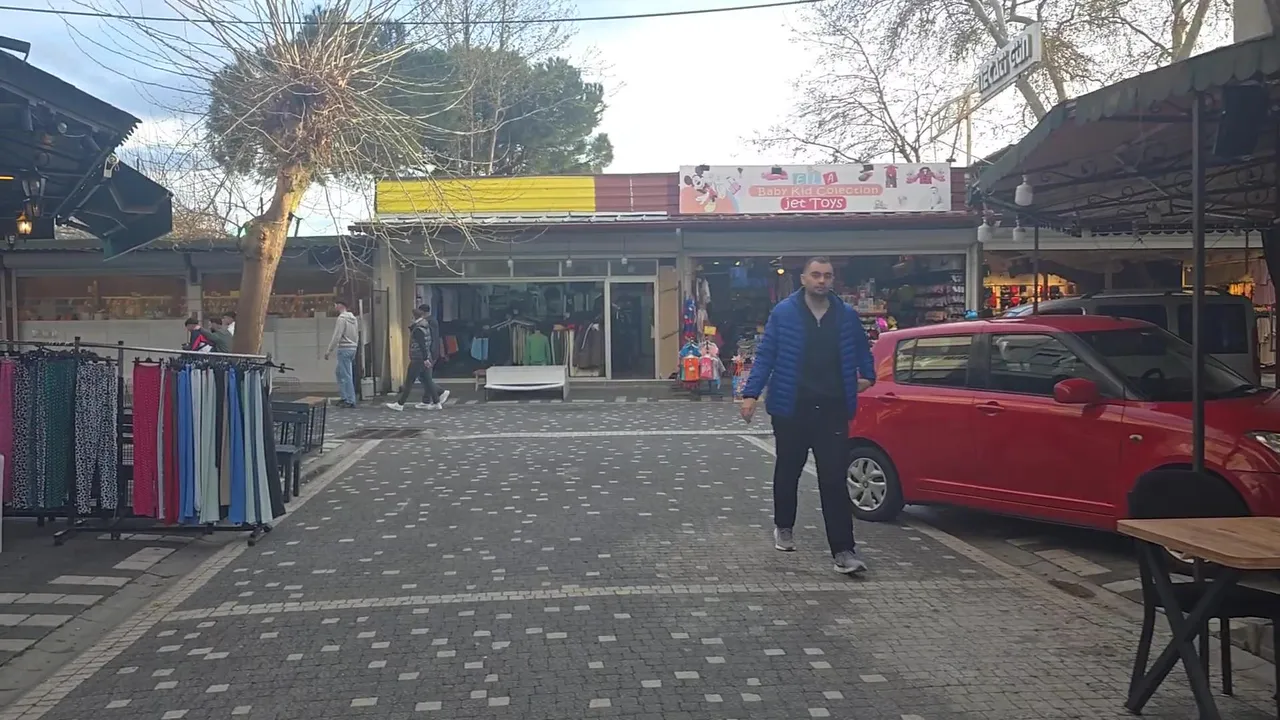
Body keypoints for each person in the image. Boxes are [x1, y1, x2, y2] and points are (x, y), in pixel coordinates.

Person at [740, 257, 876, 576]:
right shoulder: (784, 313)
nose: (821, 280)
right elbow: (766, 355)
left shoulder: (845, 315)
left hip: (832, 408)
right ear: (803, 279)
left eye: (827, 276)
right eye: (815, 275)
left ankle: (844, 550)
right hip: (792, 407)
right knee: (789, 470)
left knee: (833, 479)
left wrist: (869, 376)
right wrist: (750, 394)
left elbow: (861, 349)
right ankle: (784, 525)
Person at [386, 305, 450, 411]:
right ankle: (436, 402)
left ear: (414, 317)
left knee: (409, 381)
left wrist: (425, 359)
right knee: (427, 380)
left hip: (418, 359)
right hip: (424, 358)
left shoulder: (418, 329)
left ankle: (400, 404)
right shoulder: (425, 326)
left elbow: (422, 345)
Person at [324, 299, 360, 408]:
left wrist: (329, 350)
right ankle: (345, 397)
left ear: (340, 306)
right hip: (352, 348)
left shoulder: (341, 318)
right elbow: (356, 335)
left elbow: (337, 335)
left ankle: (350, 400)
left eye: (335, 304)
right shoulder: (354, 319)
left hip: (344, 348)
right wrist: (355, 347)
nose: (334, 306)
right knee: (339, 373)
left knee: (346, 375)